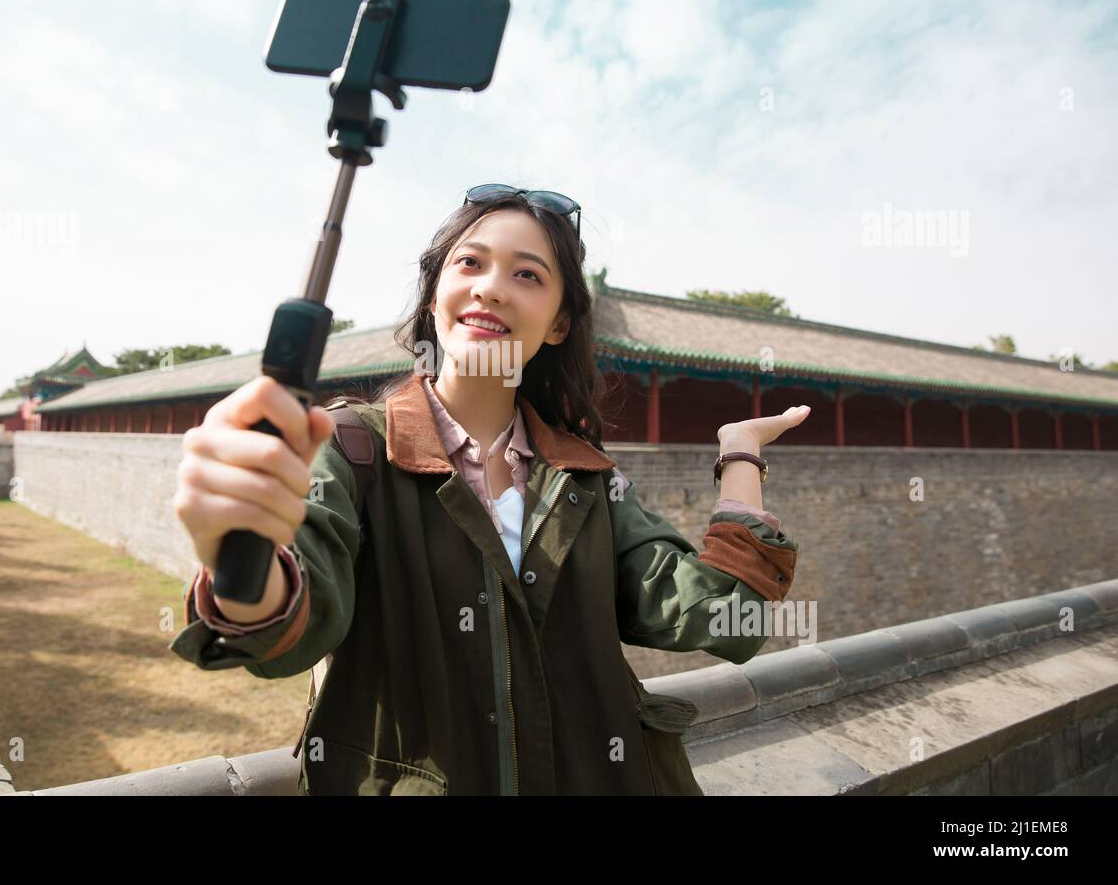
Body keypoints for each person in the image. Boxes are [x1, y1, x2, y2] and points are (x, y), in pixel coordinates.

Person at [169, 184, 810, 794]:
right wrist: (241, 551)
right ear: (434, 296)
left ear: (559, 323)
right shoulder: (349, 450)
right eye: (469, 263)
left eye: (527, 274)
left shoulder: (587, 479)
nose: (491, 289)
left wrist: (739, 455)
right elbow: (289, 632)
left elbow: (727, 616)